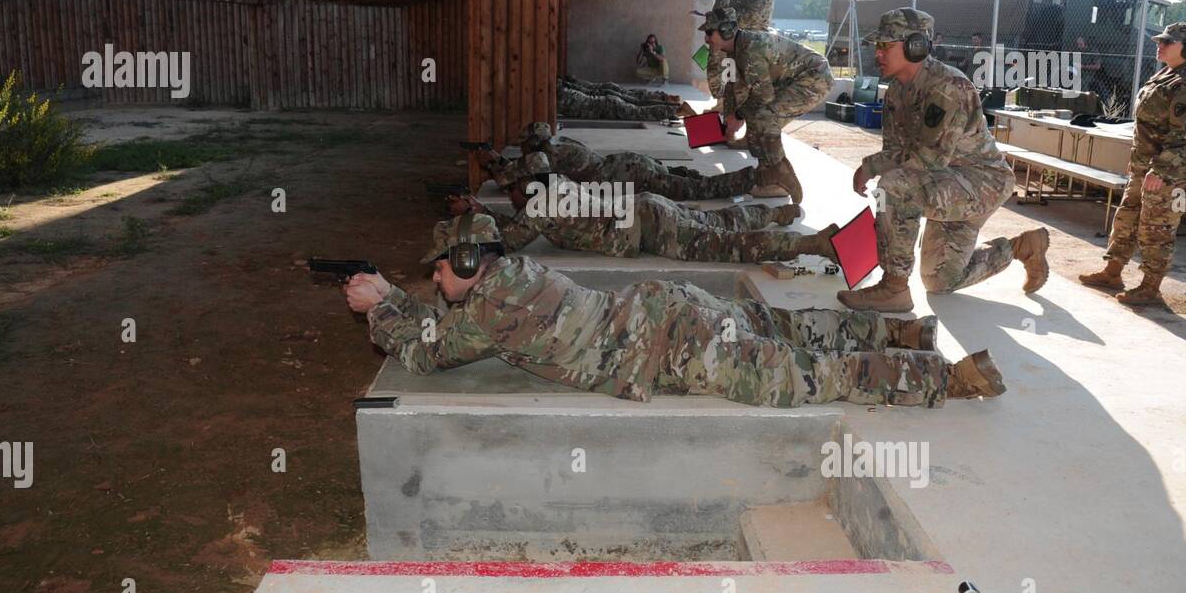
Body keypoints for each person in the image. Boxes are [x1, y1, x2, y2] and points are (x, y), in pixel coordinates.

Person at [344, 214, 1007, 407]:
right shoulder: (509, 274)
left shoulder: (490, 309)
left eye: (437, 268)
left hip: (676, 348)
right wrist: (398, 297)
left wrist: (380, 311)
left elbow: (429, 352)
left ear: (465, 264)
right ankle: (906, 329)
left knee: (806, 377)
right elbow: (445, 319)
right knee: (786, 325)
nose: (434, 279)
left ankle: (946, 377)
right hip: (669, 309)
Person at [837, 8, 1050, 313]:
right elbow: (897, 153)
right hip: (946, 183)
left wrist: (870, 166)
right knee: (939, 281)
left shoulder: (948, 87)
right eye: (877, 46)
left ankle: (893, 288)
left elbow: (928, 158)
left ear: (915, 46)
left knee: (894, 186)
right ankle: (1021, 247)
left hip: (982, 182)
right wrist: (883, 235)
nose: (878, 53)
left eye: (886, 46)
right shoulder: (897, 91)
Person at [464, 151, 837, 265]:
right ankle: (775, 213)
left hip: (651, 229)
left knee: (733, 246)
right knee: (720, 220)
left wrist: (474, 214)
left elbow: (509, 243)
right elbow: (521, 222)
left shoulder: (539, 205)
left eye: (511, 189)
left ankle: (813, 244)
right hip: (648, 208)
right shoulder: (556, 185)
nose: (510, 195)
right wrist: (484, 207)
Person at [1079, 22, 1186, 306]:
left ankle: (1151, 288)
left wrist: (1160, 170)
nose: (1159, 45)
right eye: (1160, 40)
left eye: (1168, 42)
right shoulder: (1164, 76)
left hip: (1168, 172)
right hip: (1146, 167)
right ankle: (1112, 272)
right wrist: (1140, 165)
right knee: (1127, 218)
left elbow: (1183, 134)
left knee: (1157, 229)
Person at [702, 7, 829, 203]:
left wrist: (738, 116)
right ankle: (767, 173)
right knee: (754, 113)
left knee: (764, 115)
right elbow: (733, 86)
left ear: (727, 30)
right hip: (790, 79)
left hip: (814, 77)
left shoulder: (750, 49)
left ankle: (778, 179)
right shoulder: (736, 49)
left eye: (710, 33)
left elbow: (764, 95)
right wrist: (730, 117)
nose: (707, 39)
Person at [488, 121, 759, 201]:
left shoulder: (542, 156)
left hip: (627, 177)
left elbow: (504, 180)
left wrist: (490, 162)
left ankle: (748, 180)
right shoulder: (561, 143)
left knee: (695, 191)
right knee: (684, 179)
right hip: (630, 164)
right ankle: (745, 179)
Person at [558, 77, 679, 121]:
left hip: (607, 104)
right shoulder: (566, 96)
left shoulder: (560, 100)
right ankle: (674, 109)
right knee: (639, 108)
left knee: (639, 110)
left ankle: (674, 109)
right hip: (606, 102)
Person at [705, 0, 732, 102]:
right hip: (721, 41)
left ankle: (722, 103)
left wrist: (710, 32)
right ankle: (721, 103)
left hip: (721, 42)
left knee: (718, 72)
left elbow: (721, 20)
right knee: (720, 72)